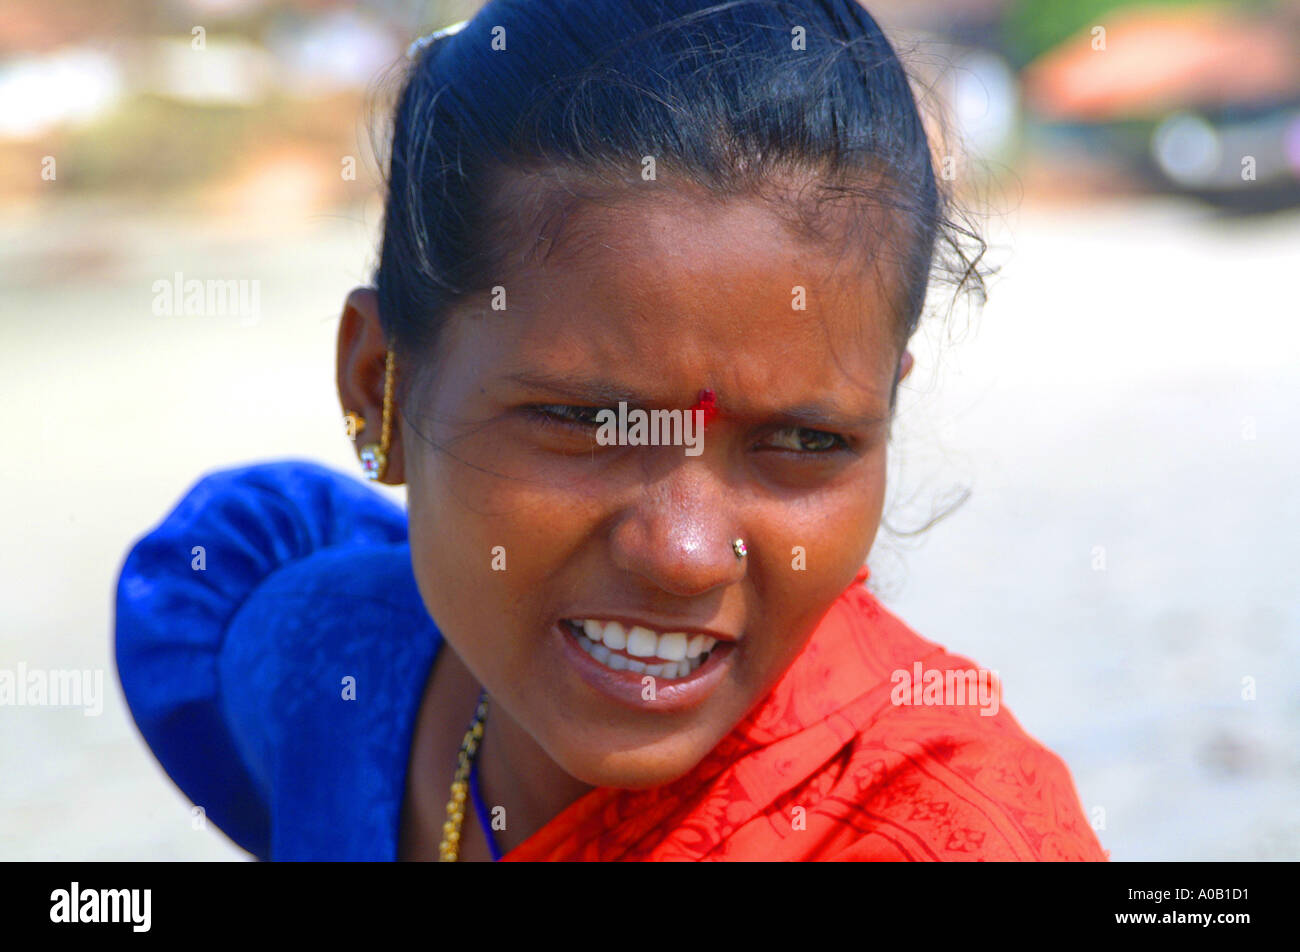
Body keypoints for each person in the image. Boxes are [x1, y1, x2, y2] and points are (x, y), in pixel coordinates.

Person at [115, 0, 1107, 861]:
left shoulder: (938, 829)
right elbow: (229, 563)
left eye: (803, 443)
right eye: (585, 421)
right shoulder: (331, 669)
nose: (681, 555)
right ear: (380, 387)